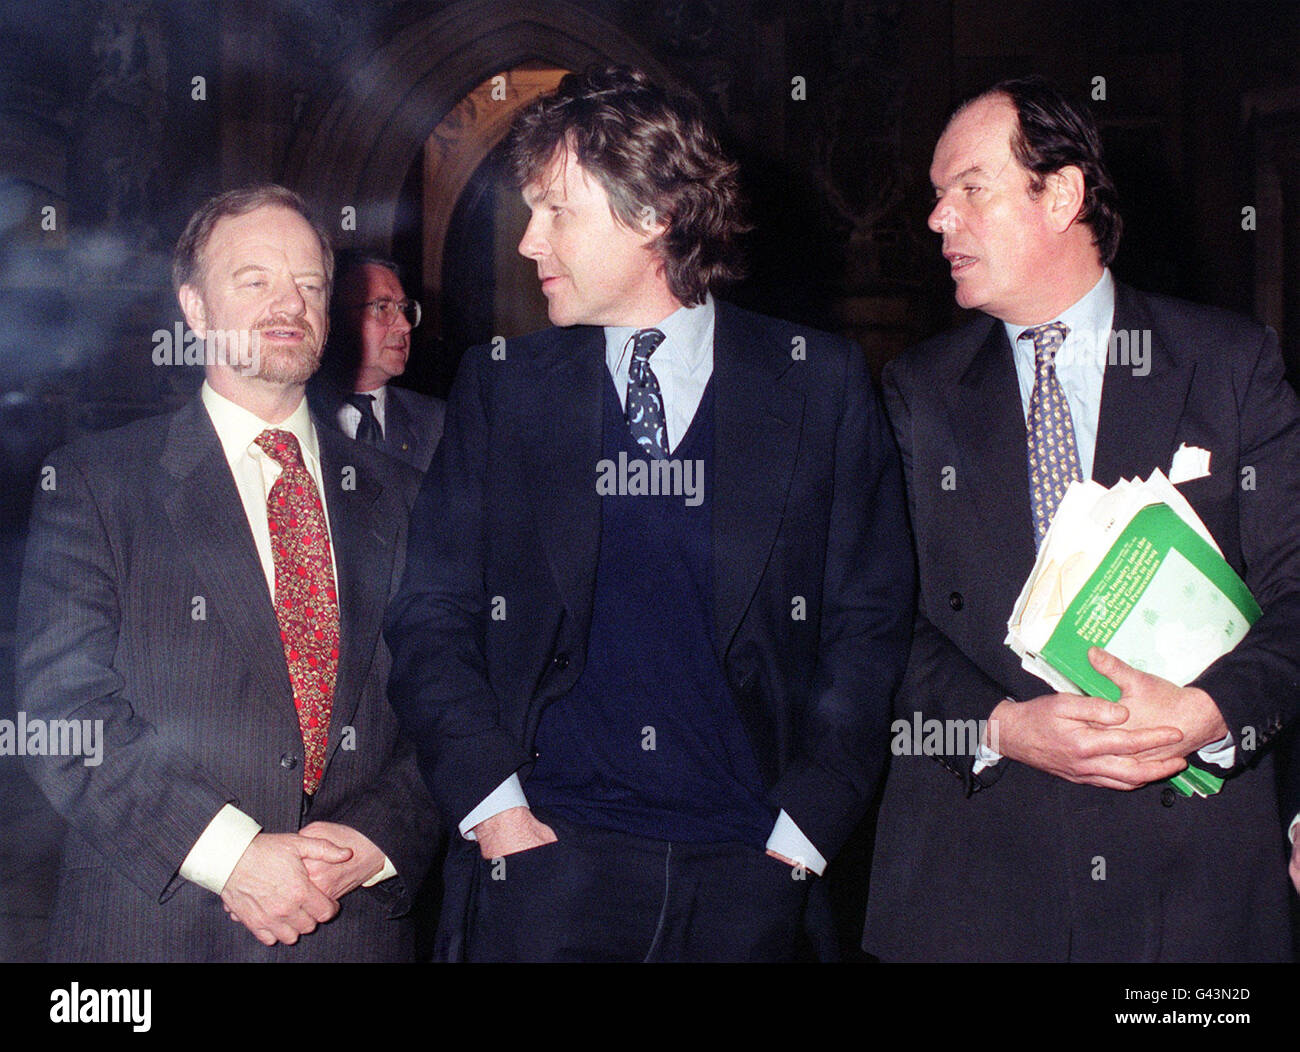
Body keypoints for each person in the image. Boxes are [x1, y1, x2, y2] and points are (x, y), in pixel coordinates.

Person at [385, 65, 913, 962]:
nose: (528, 243)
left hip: (752, 876)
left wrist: (801, 834)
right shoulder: (503, 389)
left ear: (652, 214)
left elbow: (869, 622)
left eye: (557, 212)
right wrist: (496, 810)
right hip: (547, 872)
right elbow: (430, 616)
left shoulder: (817, 382)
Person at [864, 76, 1300, 962]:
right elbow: (871, 625)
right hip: (978, 884)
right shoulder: (915, 394)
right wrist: (1001, 726)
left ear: (1059, 194)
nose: (940, 220)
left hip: (1194, 886)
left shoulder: (1228, 364)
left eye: (969, 189)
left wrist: (1210, 713)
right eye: (937, 198)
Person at [16, 184, 438, 961]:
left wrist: (370, 845)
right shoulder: (96, 482)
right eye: (255, 281)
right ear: (196, 308)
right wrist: (232, 855)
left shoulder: (405, 497)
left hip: (353, 928)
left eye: (311, 284)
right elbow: (62, 710)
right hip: (153, 930)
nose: (291, 303)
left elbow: (444, 708)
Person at [311, 252, 445, 473]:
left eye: (405, 309)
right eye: (383, 308)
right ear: (332, 318)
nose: (405, 326)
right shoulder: (297, 413)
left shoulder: (438, 423)